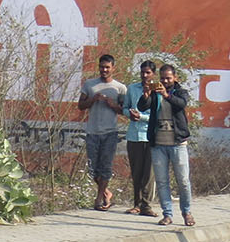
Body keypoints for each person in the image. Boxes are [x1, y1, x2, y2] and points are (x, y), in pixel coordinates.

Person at [137, 62, 194, 227]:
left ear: (175, 78)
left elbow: (181, 104)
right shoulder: (155, 92)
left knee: (183, 180)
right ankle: (167, 214)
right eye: (162, 78)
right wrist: (147, 94)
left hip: (177, 143)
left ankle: (186, 211)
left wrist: (167, 95)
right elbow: (142, 107)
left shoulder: (180, 92)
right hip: (158, 143)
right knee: (162, 181)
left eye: (168, 78)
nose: (165, 81)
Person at [77, 53, 126, 211]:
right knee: (93, 169)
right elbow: (81, 105)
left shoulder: (120, 88)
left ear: (113, 68)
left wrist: (112, 104)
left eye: (107, 67)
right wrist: (93, 99)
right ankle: (106, 192)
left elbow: (124, 110)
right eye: (101, 67)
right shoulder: (90, 85)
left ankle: (99, 199)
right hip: (92, 132)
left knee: (105, 166)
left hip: (110, 132)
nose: (104, 70)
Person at [123, 60, 156, 215]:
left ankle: (147, 205)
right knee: (136, 172)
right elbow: (124, 107)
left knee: (149, 173)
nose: (145, 75)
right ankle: (137, 204)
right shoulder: (132, 88)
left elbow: (158, 115)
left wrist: (141, 116)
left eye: (148, 72)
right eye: (143, 72)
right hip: (134, 136)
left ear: (153, 74)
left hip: (150, 136)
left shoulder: (157, 90)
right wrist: (129, 113)